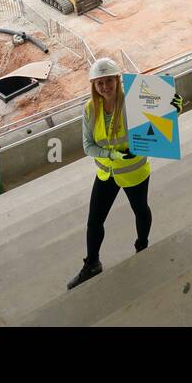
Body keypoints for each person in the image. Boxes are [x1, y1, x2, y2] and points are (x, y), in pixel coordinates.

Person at [67, 57, 155, 290]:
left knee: (141, 210)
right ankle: (92, 263)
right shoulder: (89, 109)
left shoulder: (135, 101)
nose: (104, 87)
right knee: (94, 221)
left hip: (134, 172)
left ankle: (142, 246)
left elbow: (161, 121)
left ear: (118, 80)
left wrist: (173, 105)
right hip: (107, 173)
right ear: (94, 86)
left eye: (109, 81)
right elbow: (88, 146)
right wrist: (111, 155)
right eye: (99, 83)